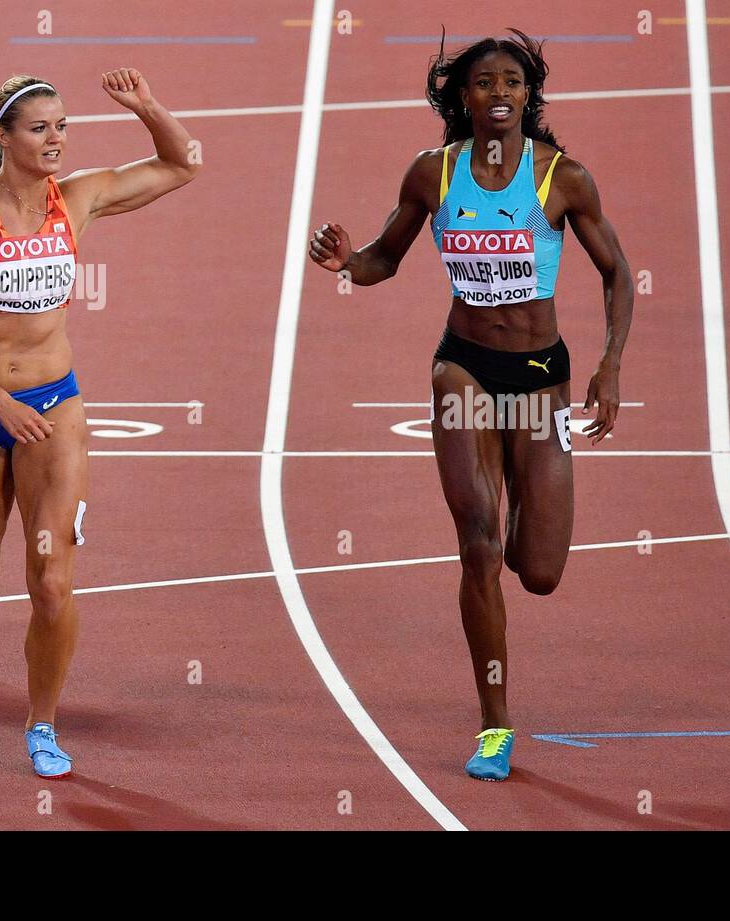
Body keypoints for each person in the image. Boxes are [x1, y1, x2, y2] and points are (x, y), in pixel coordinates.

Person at [309, 31, 633, 781]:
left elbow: (618, 272)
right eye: (484, 82)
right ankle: (495, 724)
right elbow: (385, 258)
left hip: (541, 377)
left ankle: (521, 504)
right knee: (478, 545)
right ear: (463, 96)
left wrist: (611, 365)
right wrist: (349, 263)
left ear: (529, 94)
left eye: (512, 82)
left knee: (539, 570)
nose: (498, 93)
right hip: (465, 368)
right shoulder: (434, 173)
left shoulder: (563, 178)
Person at [0, 69, 199, 777]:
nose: (56, 140)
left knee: (51, 581)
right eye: (40, 128)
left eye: (63, 126)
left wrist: (146, 105)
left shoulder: (78, 199)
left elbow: (180, 165)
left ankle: (42, 723)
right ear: (3, 135)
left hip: (53, 411)